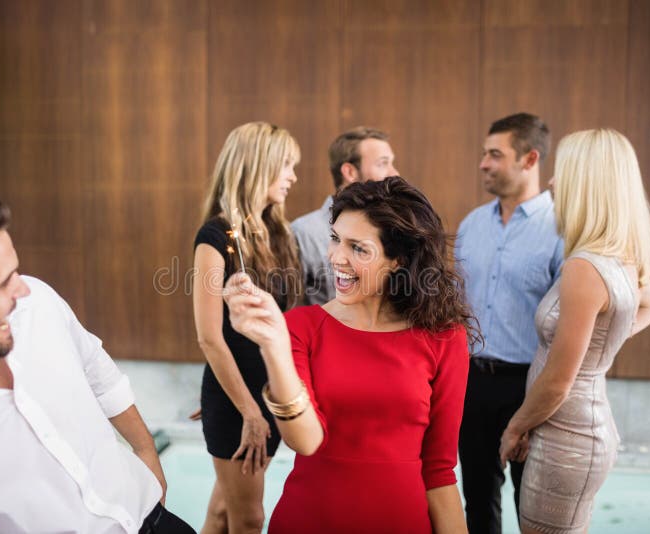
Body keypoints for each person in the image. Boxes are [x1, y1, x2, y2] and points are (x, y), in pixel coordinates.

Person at [0, 183, 194, 534]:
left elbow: (99, 372)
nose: (23, 288)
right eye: (3, 282)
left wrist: (146, 450)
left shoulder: (36, 302)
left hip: (151, 516)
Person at [224, 176, 473, 533]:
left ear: (398, 260)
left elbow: (439, 470)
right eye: (336, 239)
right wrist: (272, 346)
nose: (336, 257)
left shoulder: (444, 338)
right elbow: (305, 440)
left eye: (358, 248)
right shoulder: (301, 327)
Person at [499, 128, 650, 533]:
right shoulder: (617, 254)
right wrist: (597, 349)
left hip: (566, 437)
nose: (552, 182)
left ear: (587, 184)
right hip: (575, 430)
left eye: (563, 173)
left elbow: (558, 381)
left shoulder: (585, 268)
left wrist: (514, 428)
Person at [455, 112, 564, 534]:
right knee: (477, 501)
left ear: (530, 158)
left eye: (495, 155)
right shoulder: (470, 226)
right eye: (484, 154)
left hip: (531, 385)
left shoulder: (563, 230)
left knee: (531, 503)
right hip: (472, 381)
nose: (484, 163)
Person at [193, 121, 301, 533]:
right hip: (241, 404)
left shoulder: (277, 232)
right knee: (250, 518)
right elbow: (209, 336)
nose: (293, 176)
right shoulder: (215, 237)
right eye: (286, 165)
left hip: (267, 393)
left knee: (223, 512)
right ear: (259, 165)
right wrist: (245, 408)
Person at [291, 126, 398, 305]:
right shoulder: (303, 233)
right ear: (349, 172)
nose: (394, 173)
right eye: (382, 163)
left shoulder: (393, 229)